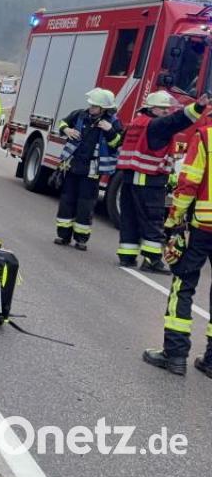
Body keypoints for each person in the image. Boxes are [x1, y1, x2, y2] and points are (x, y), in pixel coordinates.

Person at [141, 119, 212, 377]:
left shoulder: (206, 136)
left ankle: (175, 354)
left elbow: (188, 183)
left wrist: (174, 220)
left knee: (183, 285)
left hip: (203, 226)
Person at [116, 91, 208, 271]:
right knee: (152, 220)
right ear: (151, 108)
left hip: (129, 179)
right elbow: (178, 120)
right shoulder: (155, 125)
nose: (167, 112)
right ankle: (152, 260)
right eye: (163, 108)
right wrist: (198, 106)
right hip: (149, 181)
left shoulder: (137, 122)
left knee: (130, 218)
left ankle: (127, 256)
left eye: (168, 108)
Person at [54, 88, 123, 250]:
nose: (91, 108)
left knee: (85, 205)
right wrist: (67, 130)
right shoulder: (80, 115)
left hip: (91, 171)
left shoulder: (112, 123)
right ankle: (63, 236)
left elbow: (116, 145)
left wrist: (110, 131)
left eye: (95, 106)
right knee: (66, 201)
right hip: (72, 166)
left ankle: (81, 239)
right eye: (91, 104)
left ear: (104, 108)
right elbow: (62, 122)